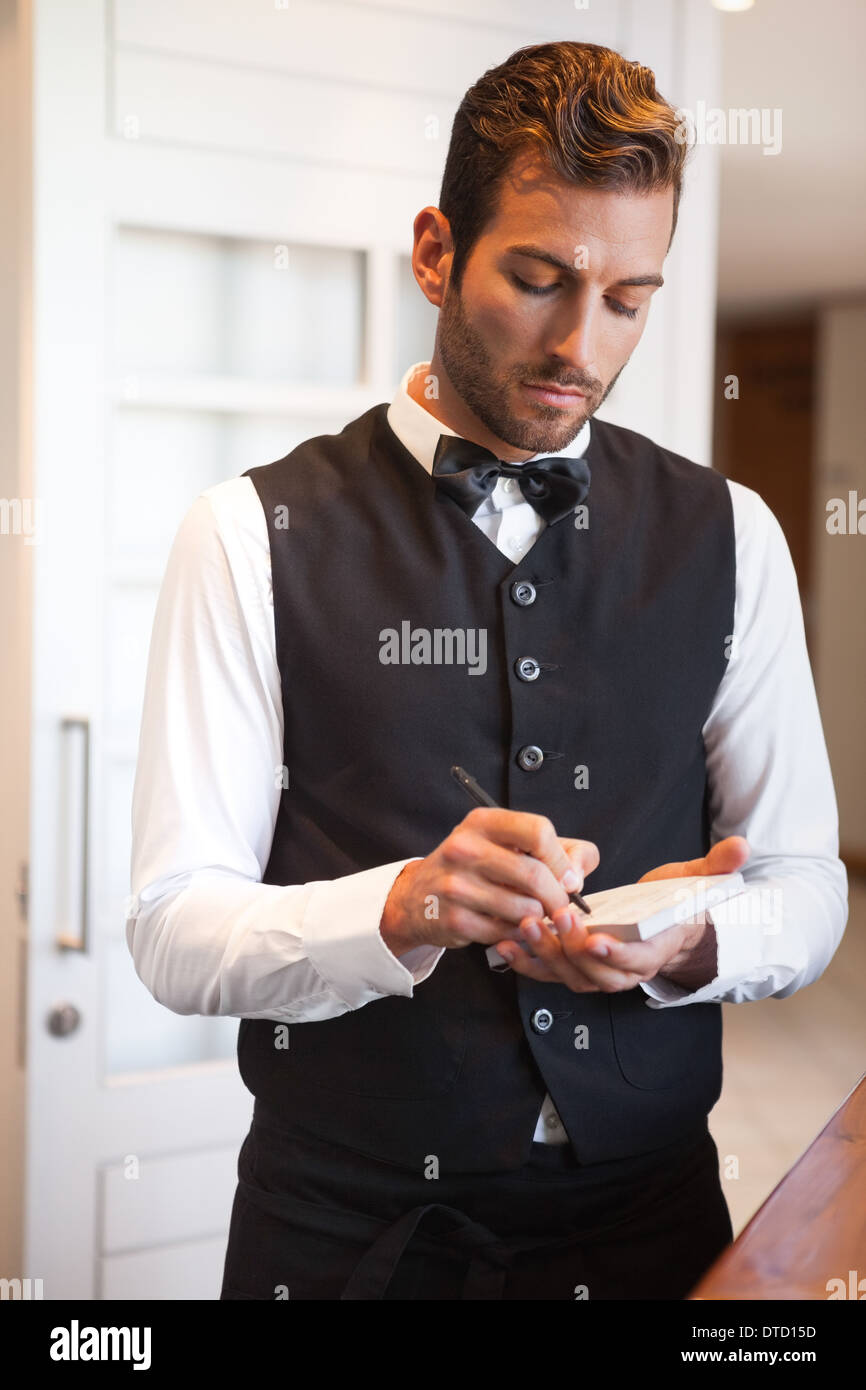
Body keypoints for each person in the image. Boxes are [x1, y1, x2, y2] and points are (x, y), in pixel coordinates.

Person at [127, 40, 847, 1300]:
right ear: (434, 253)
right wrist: (399, 902)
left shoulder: (731, 536)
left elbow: (804, 889)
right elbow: (173, 927)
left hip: (652, 1225)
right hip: (345, 1236)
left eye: (628, 297)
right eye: (538, 277)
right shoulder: (248, 531)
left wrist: (681, 941)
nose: (582, 341)